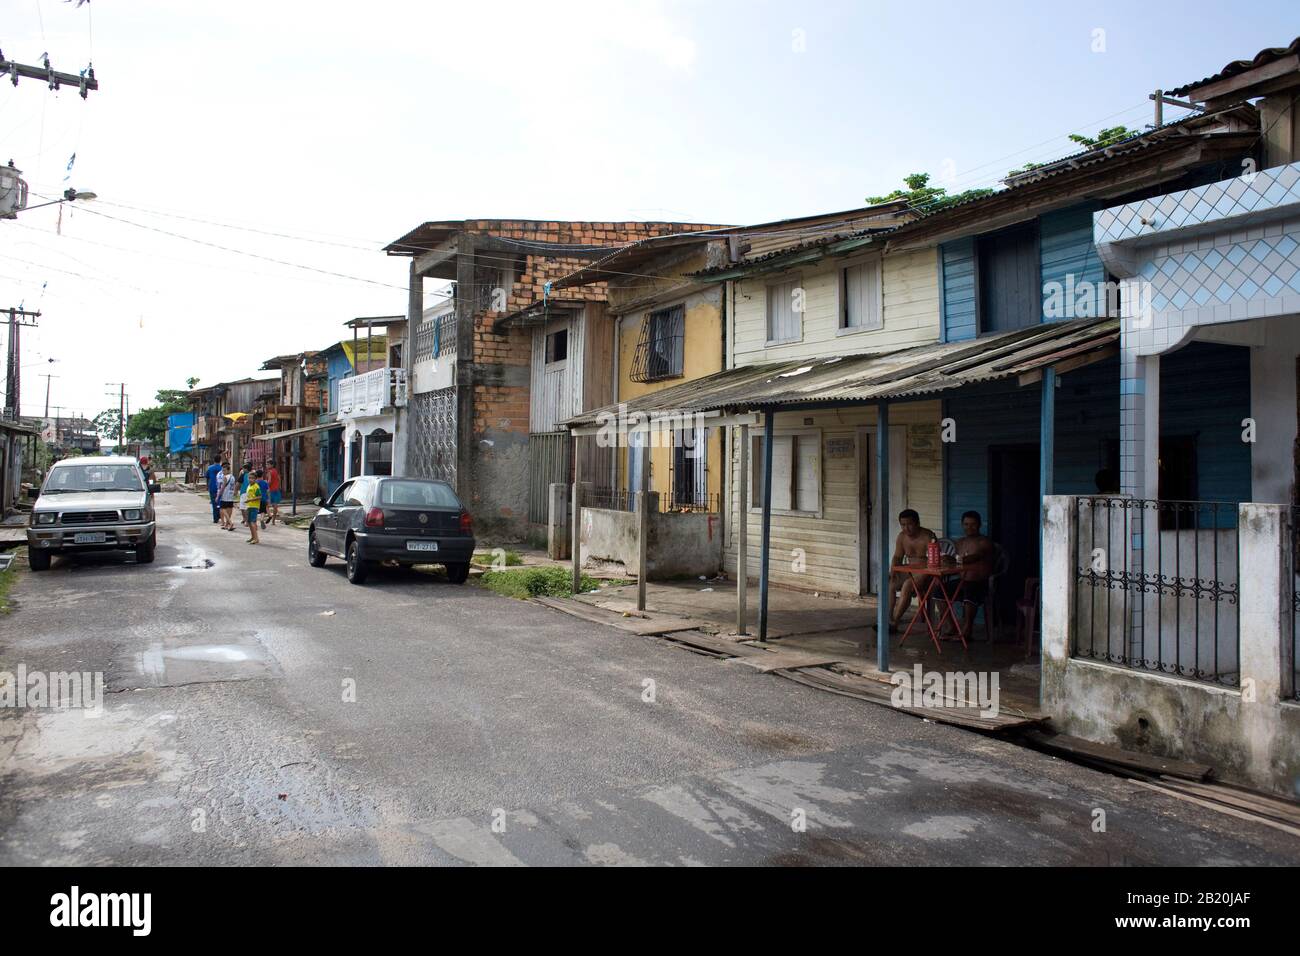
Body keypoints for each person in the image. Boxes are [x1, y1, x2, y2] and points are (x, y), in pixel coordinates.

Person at [889, 509, 937, 630]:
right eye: (903, 525)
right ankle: (887, 619)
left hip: (926, 572)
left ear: (917, 523)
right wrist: (893, 570)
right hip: (909, 570)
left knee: (907, 585)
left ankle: (895, 622)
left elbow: (935, 561)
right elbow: (897, 556)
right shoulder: (901, 537)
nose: (906, 528)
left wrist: (923, 572)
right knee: (888, 583)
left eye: (909, 524)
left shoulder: (928, 536)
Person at [953, 511, 995, 641]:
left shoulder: (984, 542)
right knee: (939, 592)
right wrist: (946, 559)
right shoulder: (960, 542)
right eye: (966, 524)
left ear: (979, 525)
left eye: (973, 524)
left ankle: (967, 631)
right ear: (962, 525)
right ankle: (951, 628)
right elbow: (955, 561)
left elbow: (976, 556)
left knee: (969, 591)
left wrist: (955, 560)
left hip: (979, 583)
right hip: (962, 581)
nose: (969, 527)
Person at [218, 463, 238, 530]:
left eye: (224, 470)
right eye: (223, 470)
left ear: (228, 470)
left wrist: (218, 495)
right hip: (230, 496)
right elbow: (234, 485)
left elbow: (222, 487)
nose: (223, 472)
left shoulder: (225, 477)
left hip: (225, 496)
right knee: (229, 510)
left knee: (223, 509)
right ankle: (226, 525)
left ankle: (230, 522)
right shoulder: (232, 477)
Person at [245, 473, 263, 544]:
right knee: (249, 523)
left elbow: (259, 496)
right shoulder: (249, 486)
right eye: (249, 478)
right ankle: (253, 537)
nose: (250, 479)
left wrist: (250, 500)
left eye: (252, 478)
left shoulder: (256, 486)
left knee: (252, 522)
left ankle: (256, 538)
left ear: (255, 479)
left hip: (254, 506)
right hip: (249, 506)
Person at [205, 455, 223, 523]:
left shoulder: (210, 468)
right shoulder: (222, 468)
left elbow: (207, 477)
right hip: (220, 487)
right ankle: (220, 516)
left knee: (214, 503)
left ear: (213, 460)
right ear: (220, 460)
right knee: (220, 502)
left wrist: (207, 486)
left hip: (212, 487)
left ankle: (215, 518)